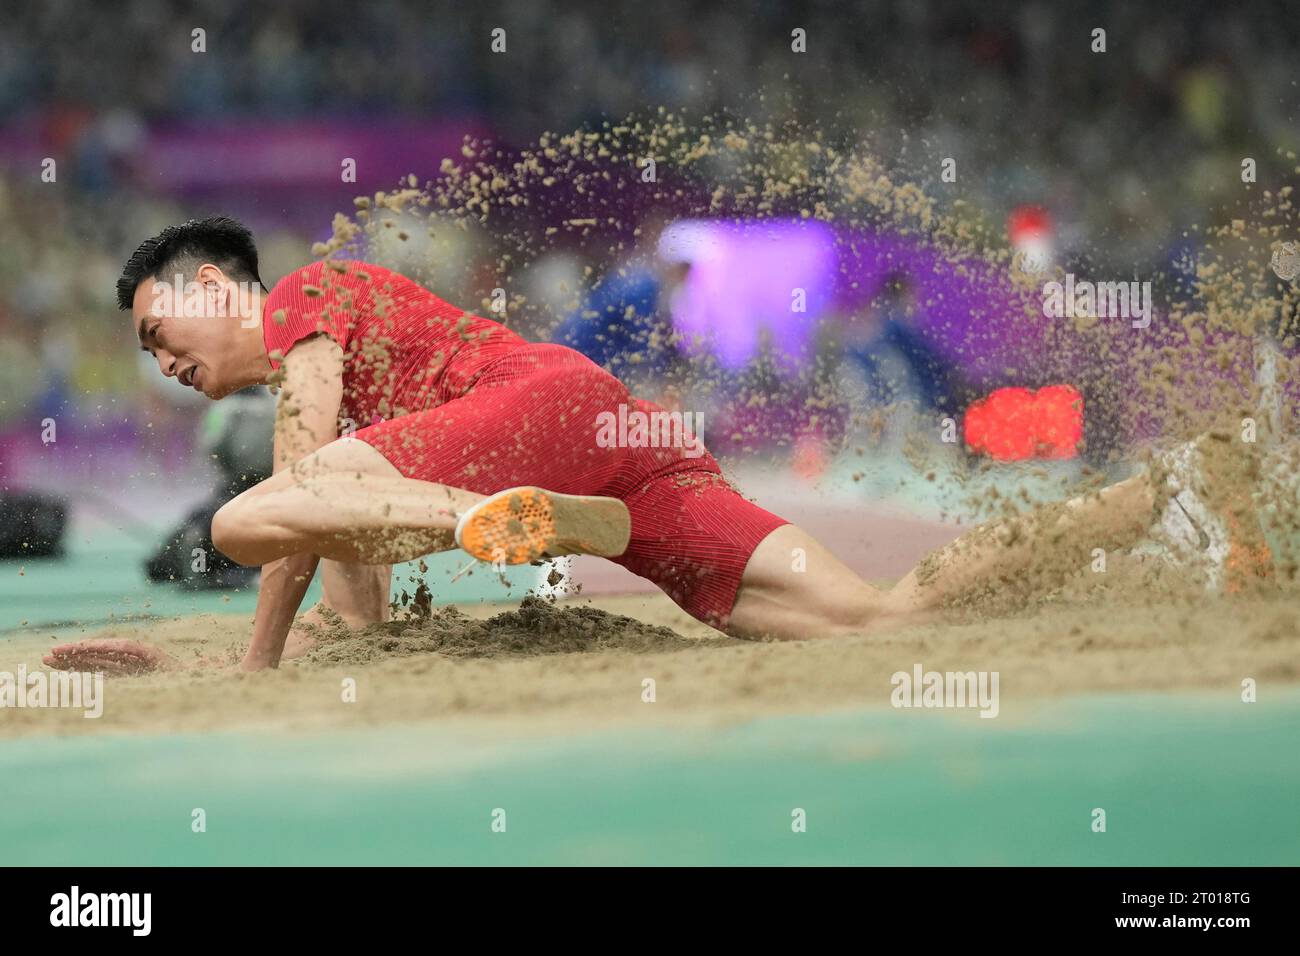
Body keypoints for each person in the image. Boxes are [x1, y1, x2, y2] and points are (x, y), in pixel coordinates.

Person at [45, 217, 1269, 675]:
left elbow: (304, 458)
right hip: (617, 442)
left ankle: (512, 519)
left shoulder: (309, 291)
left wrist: (264, 658)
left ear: (214, 283)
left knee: (237, 519)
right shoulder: (366, 407)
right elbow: (353, 570)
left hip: (527, 416)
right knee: (875, 620)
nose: (160, 361)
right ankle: (1158, 496)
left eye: (160, 329)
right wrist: (351, 619)